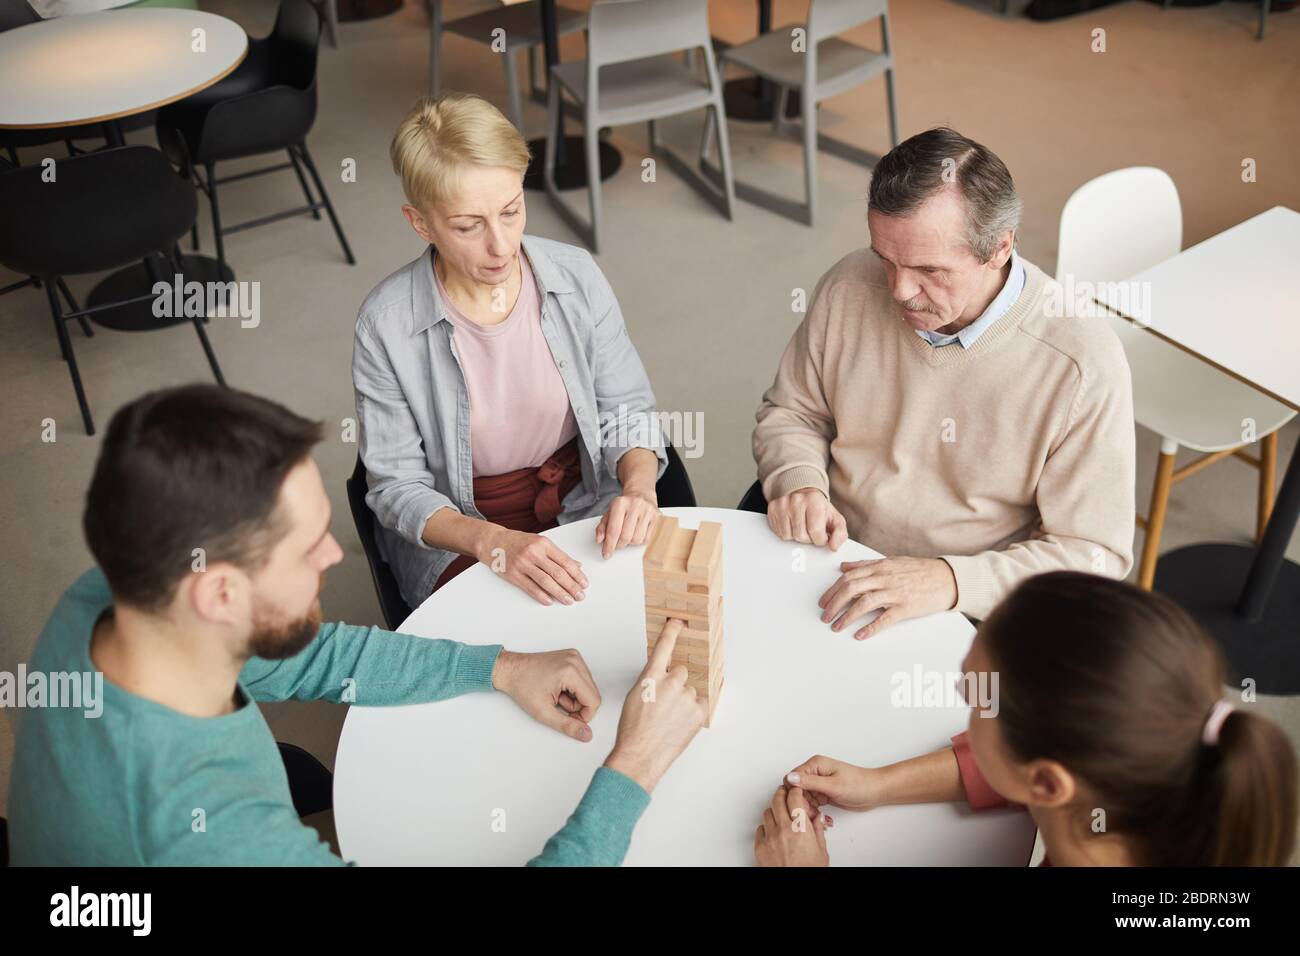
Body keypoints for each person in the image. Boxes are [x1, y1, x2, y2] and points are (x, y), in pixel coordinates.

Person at [7, 385, 705, 866]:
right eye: (308, 545)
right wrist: (633, 768)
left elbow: (305, 656)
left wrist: (497, 666)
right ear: (219, 591)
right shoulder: (210, 834)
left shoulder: (120, 591)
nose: (335, 555)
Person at [752, 127, 1136, 638]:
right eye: (886, 259)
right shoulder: (848, 285)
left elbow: (1093, 552)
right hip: (829, 552)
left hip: (966, 602)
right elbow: (792, 412)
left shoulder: (1080, 361)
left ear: (999, 248)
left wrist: (952, 579)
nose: (899, 290)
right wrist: (797, 480)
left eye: (929, 270)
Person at [353, 93, 665, 610]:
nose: (501, 245)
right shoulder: (384, 325)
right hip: (463, 529)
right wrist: (493, 542)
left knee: (630, 625)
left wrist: (637, 488)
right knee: (504, 656)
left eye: (511, 210)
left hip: (583, 498)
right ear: (420, 223)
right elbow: (396, 487)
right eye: (468, 225)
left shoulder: (576, 275)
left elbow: (627, 410)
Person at [754, 572, 1298, 866]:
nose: (965, 697)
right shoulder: (1136, 789)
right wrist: (879, 783)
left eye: (980, 700)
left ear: (1045, 782)